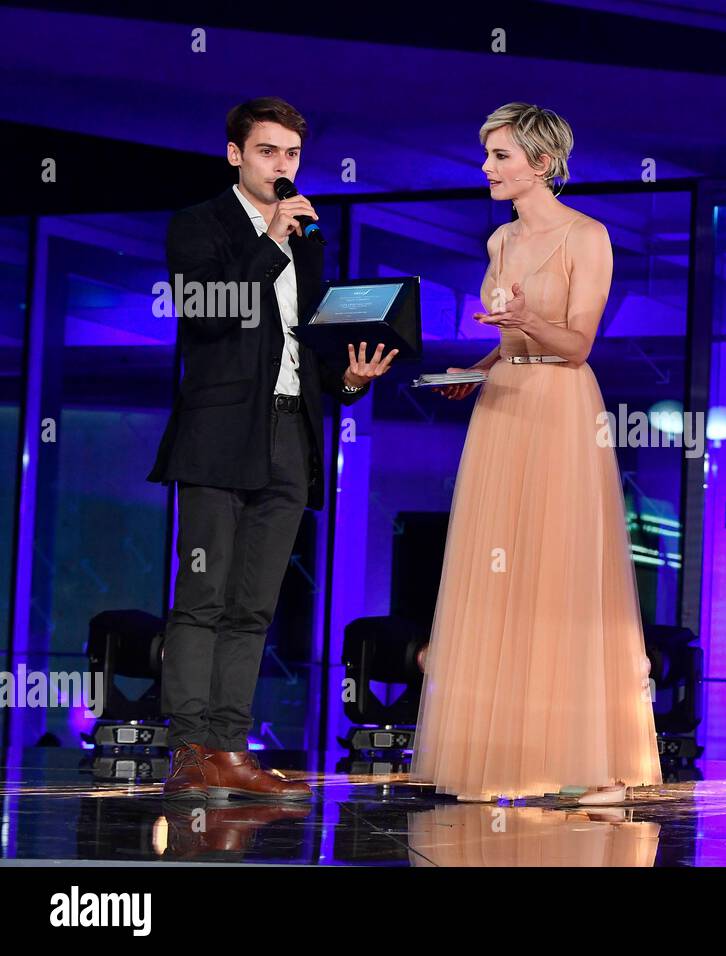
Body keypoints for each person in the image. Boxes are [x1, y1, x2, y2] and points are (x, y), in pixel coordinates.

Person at [408, 102, 661, 804]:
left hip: (559, 405)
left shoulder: (590, 236)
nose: (487, 167)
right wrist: (481, 367)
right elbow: (509, 337)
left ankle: (591, 764)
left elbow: (577, 344)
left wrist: (526, 321)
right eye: (487, 155)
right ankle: (501, 756)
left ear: (541, 164)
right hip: (504, 407)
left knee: (560, 576)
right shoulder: (500, 242)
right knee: (496, 579)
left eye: (501, 156)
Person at [148, 97, 396, 800]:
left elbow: (308, 347)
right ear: (235, 154)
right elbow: (206, 312)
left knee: (254, 606)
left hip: (292, 432)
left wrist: (347, 381)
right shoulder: (201, 225)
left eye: (290, 154)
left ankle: (230, 746)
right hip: (219, 436)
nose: (281, 166)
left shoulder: (308, 238)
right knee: (203, 597)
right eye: (267, 151)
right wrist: (269, 241)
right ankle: (191, 749)